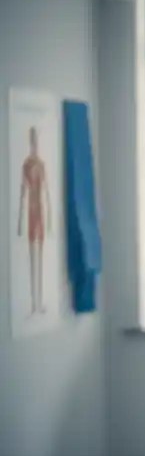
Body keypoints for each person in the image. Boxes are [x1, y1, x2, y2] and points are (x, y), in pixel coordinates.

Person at [17, 126, 51, 315]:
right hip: (32, 211)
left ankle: (39, 302)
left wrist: (51, 217)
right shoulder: (27, 164)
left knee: (40, 256)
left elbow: (46, 191)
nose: (35, 143)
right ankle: (33, 303)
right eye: (33, 140)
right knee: (32, 255)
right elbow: (23, 192)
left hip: (39, 212)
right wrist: (19, 221)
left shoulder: (40, 164)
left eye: (36, 139)